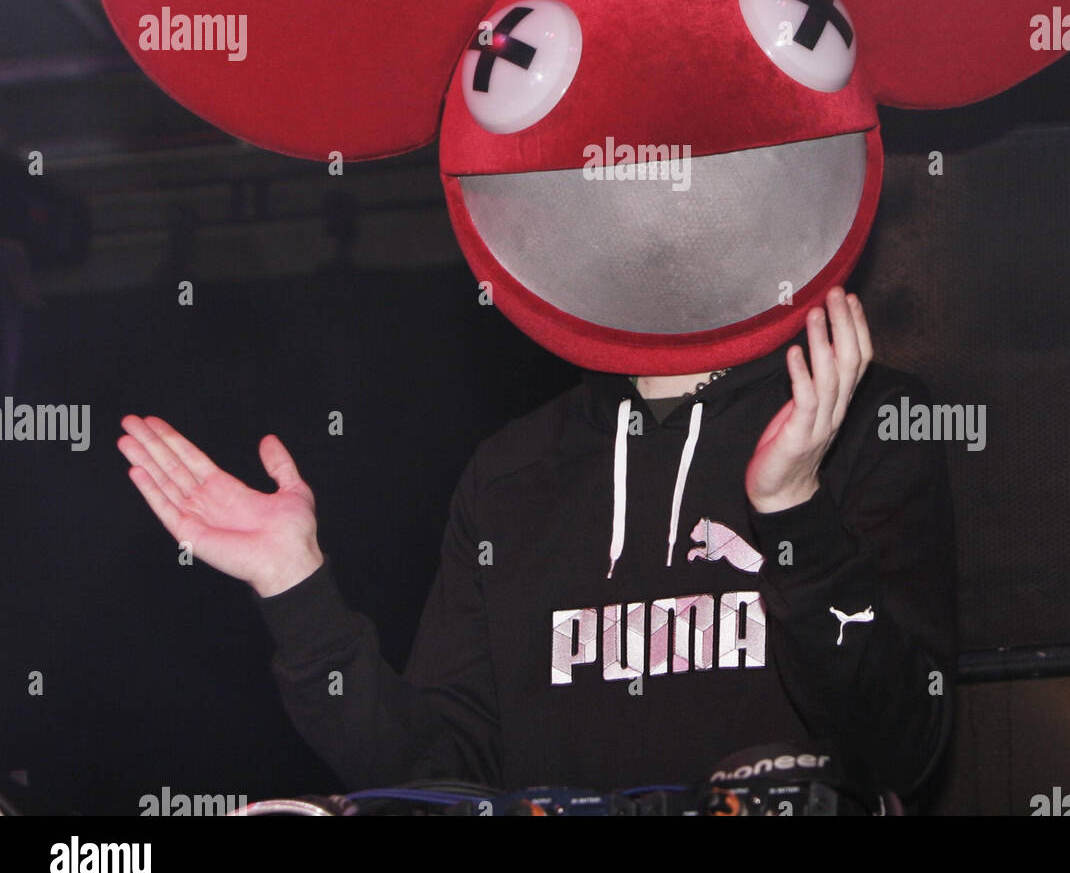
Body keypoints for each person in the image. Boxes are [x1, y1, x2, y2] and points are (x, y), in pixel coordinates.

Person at [117, 287, 956, 802]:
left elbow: (903, 748)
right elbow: (436, 773)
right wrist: (296, 591)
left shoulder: (863, 420)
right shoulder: (510, 470)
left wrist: (794, 508)